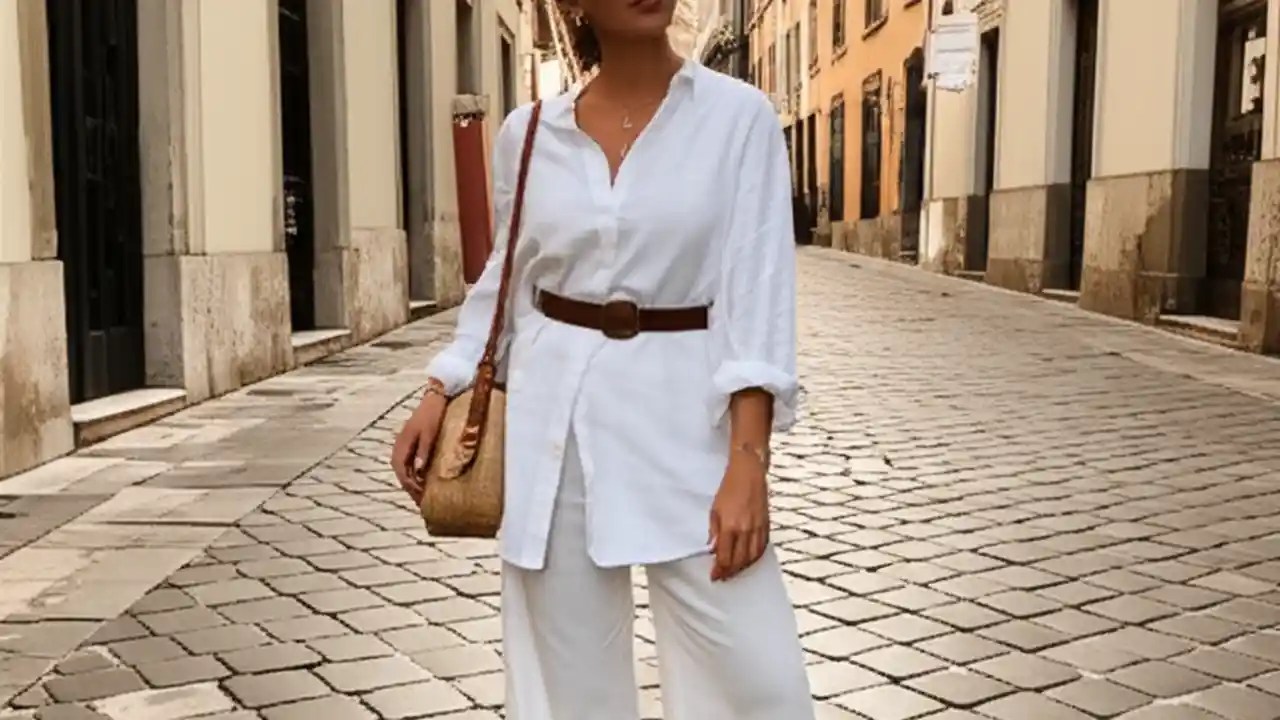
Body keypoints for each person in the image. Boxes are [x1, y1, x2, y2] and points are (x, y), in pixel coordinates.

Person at [391, 1, 814, 717]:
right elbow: (505, 283)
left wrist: (749, 457)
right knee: (569, 689)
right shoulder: (528, 135)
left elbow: (759, 290)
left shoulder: (738, 119)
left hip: (690, 422)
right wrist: (443, 386)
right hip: (556, 426)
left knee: (757, 680)